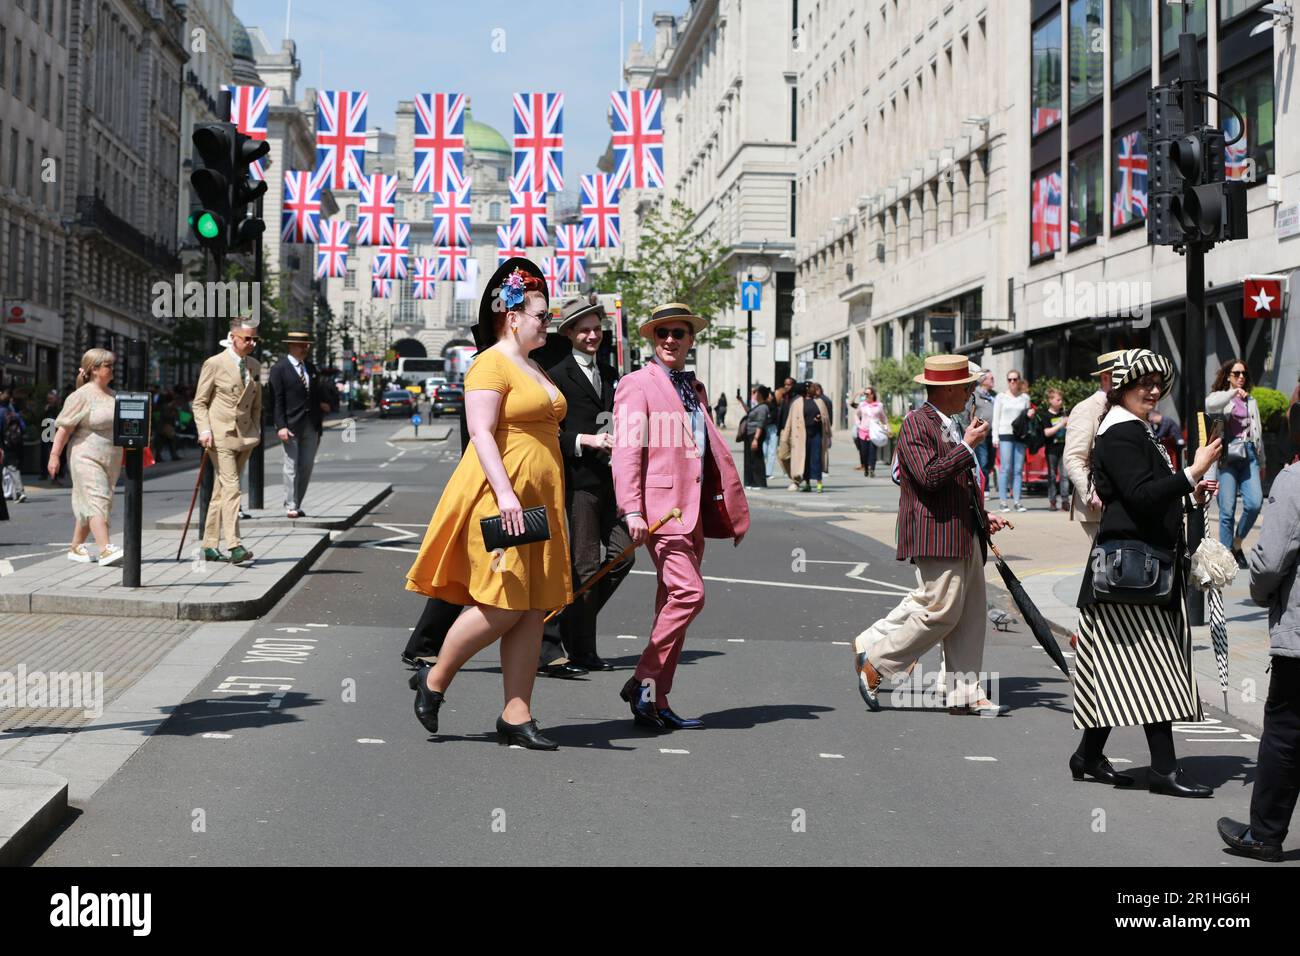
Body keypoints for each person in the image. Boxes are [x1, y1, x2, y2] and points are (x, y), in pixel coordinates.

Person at [405, 258, 572, 750]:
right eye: (542, 315)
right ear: (513, 317)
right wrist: (505, 494)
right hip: (503, 494)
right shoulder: (490, 363)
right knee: (501, 602)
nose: (549, 323)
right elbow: (480, 432)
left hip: (540, 495)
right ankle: (433, 678)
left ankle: (516, 714)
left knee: (531, 605)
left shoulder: (533, 364)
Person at [1072, 349, 1221, 796]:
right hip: (1131, 575)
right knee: (1155, 668)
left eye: (1158, 383)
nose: (1153, 391)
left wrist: (1190, 493)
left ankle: (1088, 755)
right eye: (1143, 383)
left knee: (1120, 669)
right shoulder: (1120, 433)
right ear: (1120, 387)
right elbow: (1139, 496)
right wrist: (1191, 471)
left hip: (1139, 573)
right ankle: (1163, 770)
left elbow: (1149, 497)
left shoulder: (1137, 430)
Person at [611, 302, 749, 730]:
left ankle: (657, 698)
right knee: (689, 594)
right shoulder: (636, 384)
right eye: (662, 333)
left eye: (679, 333)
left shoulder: (695, 388)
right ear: (653, 340)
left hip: (693, 512)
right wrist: (631, 508)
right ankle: (641, 681)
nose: (670, 340)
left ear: (691, 339)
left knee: (670, 604)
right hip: (660, 513)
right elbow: (627, 451)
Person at [851, 355, 1011, 716]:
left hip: (963, 529)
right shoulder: (916, 424)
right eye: (967, 387)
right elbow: (928, 477)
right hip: (936, 532)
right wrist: (967, 446)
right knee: (941, 611)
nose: (971, 394)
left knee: (969, 616)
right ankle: (877, 660)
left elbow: (956, 483)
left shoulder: (948, 423)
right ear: (948, 388)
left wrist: (983, 517)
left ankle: (964, 693)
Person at [1219, 405, 1300, 861]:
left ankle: (1266, 833)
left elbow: (1268, 564)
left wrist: (1261, 594)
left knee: (1286, 731)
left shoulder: (1293, 480)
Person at [539, 294, 634, 675]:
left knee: (623, 554)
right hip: (579, 482)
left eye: (597, 329)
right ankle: (581, 649)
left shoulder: (612, 374)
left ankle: (569, 626)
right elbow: (549, 433)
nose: (593, 335)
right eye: (585, 330)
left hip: (614, 481)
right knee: (585, 565)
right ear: (570, 334)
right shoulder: (556, 376)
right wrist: (584, 441)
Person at [192, 318, 263, 565]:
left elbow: (256, 404)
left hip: (245, 437)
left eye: (255, 338)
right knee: (233, 487)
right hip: (220, 434)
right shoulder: (215, 363)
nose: (252, 343)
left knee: (221, 491)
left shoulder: (254, 365)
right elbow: (200, 402)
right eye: (247, 338)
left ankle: (209, 545)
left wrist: (257, 429)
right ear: (233, 337)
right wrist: (204, 430)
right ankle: (235, 545)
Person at [45, 350, 124, 565]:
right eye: (108, 365)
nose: (112, 369)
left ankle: (76, 547)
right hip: (85, 456)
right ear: (94, 369)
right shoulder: (81, 395)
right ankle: (105, 548)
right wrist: (54, 456)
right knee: (97, 499)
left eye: (112, 365)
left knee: (93, 502)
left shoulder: (115, 395)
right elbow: (64, 429)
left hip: (110, 458)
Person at [1207, 358, 1265, 567]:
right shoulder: (1223, 398)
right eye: (1236, 374)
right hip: (1228, 458)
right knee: (1227, 511)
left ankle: (1237, 543)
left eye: (1244, 374)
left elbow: (1258, 432)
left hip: (1249, 455)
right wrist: (1233, 393)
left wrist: (1263, 462)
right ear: (1228, 376)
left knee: (1254, 503)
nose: (1241, 377)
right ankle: (1225, 558)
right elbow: (1209, 403)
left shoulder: (1252, 401)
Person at [270, 330, 331, 519]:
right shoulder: (279, 368)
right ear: (291, 346)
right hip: (291, 424)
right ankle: (291, 504)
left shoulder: (311, 369)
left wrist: (323, 411)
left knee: (306, 466)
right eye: (302, 345)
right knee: (291, 465)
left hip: (311, 425)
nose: (306, 348)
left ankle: (298, 501)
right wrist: (280, 425)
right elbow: (276, 400)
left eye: (307, 345)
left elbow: (316, 395)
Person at [1064, 351, 1123, 540]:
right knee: (1106, 567)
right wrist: (1092, 494)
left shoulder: (1129, 407)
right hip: (1100, 509)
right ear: (1106, 378)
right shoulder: (1085, 408)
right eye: (1122, 375)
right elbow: (1074, 457)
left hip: (1127, 504)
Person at [781, 381, 831, 493]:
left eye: (812, 388)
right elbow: (790, 421)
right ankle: (807, 483)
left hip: (816, 435)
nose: (811, 390)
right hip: (802, 436)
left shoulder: (819, 402)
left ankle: (819, 483)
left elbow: (826, 419)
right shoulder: (797, 403)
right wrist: (785, 437)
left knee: (817, 459)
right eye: (809, 388)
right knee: (805, 460)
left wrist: (820, 421)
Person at [990, 369, 1029, 512]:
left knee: (1018, 470)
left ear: (1019, 380)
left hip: (1020, 435)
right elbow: (996, 417)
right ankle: (1003, 501)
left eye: (1015, 379)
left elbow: (1025, 419)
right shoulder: (1001, 397)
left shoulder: (1025, 398)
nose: (1012, 382)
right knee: (1005, 468)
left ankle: (1017, 501)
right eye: (1009, 379)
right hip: (1005, 433)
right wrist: (995, 436)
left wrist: (1029, 415)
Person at [1043, 388, 1070, 511]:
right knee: (1052, 476)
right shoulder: (1046, 415)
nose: (1061, 402)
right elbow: (1047, 433)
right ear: (1051, 400)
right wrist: (1061, 424)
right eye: (1058, 399)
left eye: (1061, 399)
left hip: (1064, 448)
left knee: (1064, 475)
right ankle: (1052, 501)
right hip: (1051, 449)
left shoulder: (1064, 413)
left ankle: (1065, 501)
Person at [0, 385, 28, 503]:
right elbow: (23, 427)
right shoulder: (14, 413)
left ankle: (18, 492)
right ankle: (20, 492)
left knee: (9, 468)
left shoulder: (1, 412)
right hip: (14, 445)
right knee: (12, 468)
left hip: (3, 445)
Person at [855, 387, 888, 478]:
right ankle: (866, 467)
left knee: (873, 451)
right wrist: (859, 424)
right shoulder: (862, 405)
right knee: (864, 452)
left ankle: (872, 469)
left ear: (872, 395)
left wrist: (887, 428)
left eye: (868, 394)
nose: (866, 395)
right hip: (863, 431)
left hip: (874, 432)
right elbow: (856, 415)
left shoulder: (879, 405)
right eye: (865, 394)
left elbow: (884, 417)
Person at [972, 372, 997, 491]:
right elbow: (968, 413)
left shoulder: (993, 395)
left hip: (993, 433)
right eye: (991, 378)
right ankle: (984, 488)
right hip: (981, 433)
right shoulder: (975, 395)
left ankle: (984, 486)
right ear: (983, 380)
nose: (993, 380)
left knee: (991, 461)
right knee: (983, 460)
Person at [742, 384, 771, 489]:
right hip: (751, 434)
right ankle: (752, 481)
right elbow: (749, 412)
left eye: (756, 393)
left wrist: (756, 439)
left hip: (756, 434)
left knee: (757, 459)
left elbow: (760, 424)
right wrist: (741, 401)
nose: (754, 394)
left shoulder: (763, 407)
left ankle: (759, 482)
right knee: (752, 458)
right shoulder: (758, 406)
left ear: (761, 394)